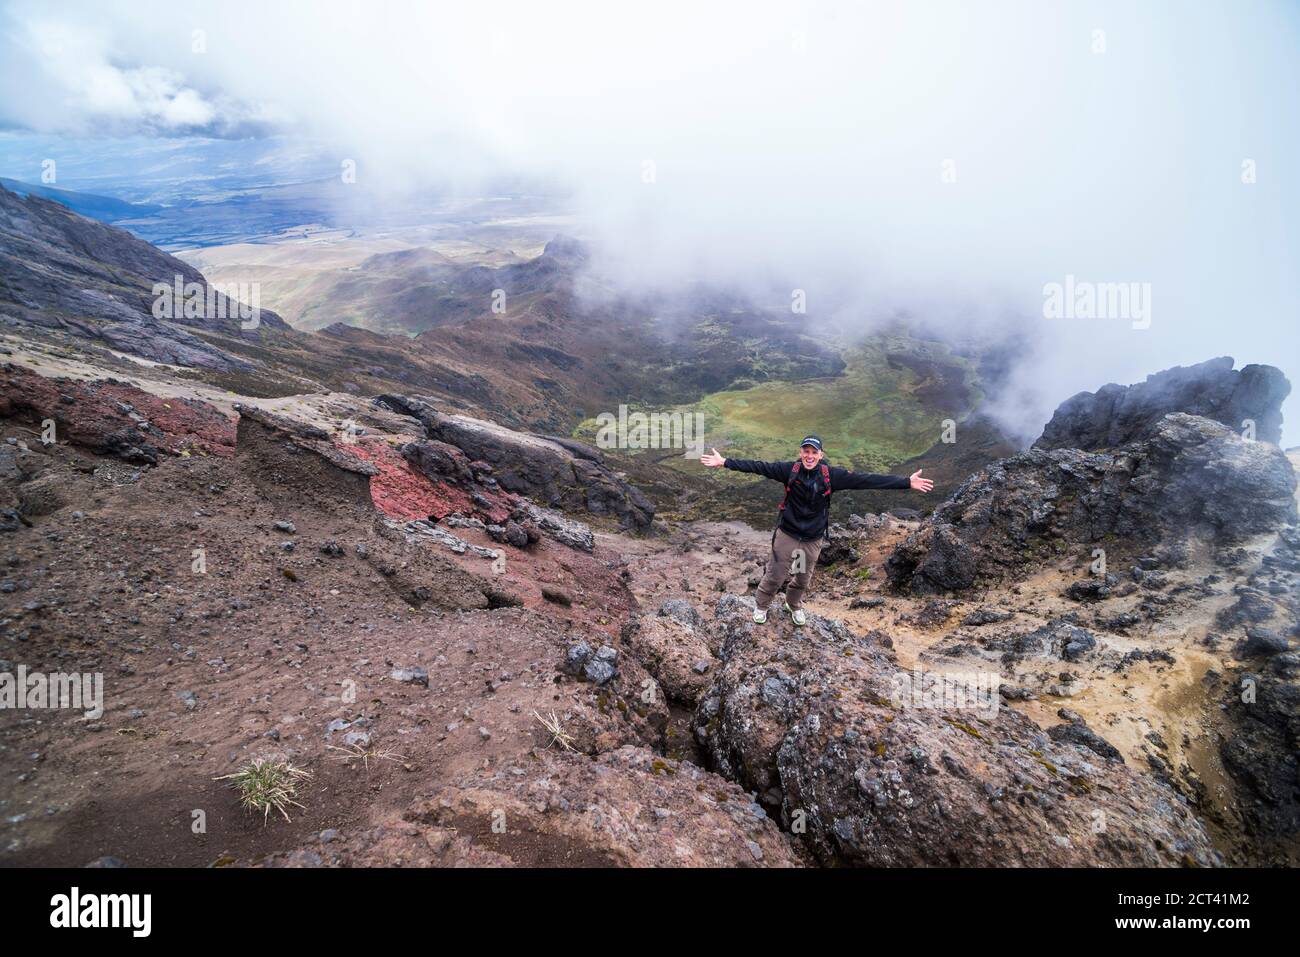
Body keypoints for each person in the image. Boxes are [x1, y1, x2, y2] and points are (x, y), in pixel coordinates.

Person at [700, 435, 933, 625]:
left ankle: (793, 604)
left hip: (811, 539)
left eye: (814, 452)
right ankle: (761, 605)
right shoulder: (788, 471)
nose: (809, 456)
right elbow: (759, 467)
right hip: (788, 534)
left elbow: (867, 480)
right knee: (776, 574)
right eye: (806, 451)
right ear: (800, 453)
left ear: (821, 455)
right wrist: (725, 462)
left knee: (802, 577)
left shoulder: (831, 476)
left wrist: (906, 482)